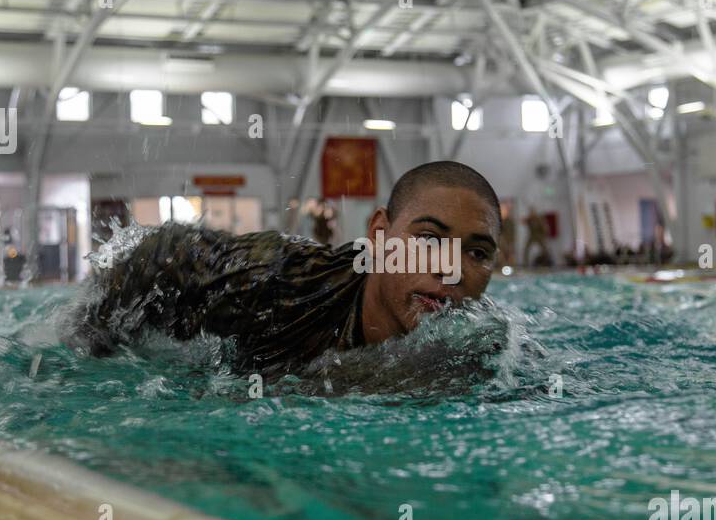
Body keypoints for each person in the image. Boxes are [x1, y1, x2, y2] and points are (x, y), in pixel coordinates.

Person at [67, 160, 501, 374]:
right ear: (380, 233)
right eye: (428, 239)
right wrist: (88, 344)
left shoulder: (480, 349)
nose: (452, 270)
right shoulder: (274, 285)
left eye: (477, 253)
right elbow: (162, 257)